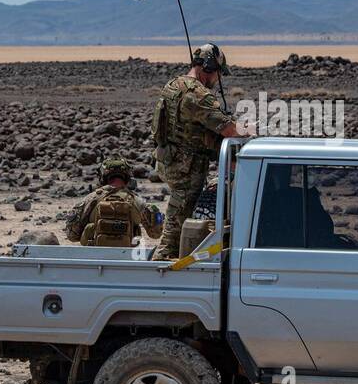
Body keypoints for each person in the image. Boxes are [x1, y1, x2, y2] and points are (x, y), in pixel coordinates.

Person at [149, 43, 249, 260]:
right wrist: (250, 129)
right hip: (187, 167)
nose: (218, 80)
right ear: (209, 67)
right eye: (219, 74)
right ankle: (162, 266)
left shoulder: (173, 86)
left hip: (169, 161)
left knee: (179, 215)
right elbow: (230, 129)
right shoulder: (198, 94)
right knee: (178, 224)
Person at [66, 157, 161, 247]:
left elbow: (72, 236)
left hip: (94, 255)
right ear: (127, 177)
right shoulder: (138, 202)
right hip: (128, 257)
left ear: (103, 176)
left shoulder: (90, 199)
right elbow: (156, 234)